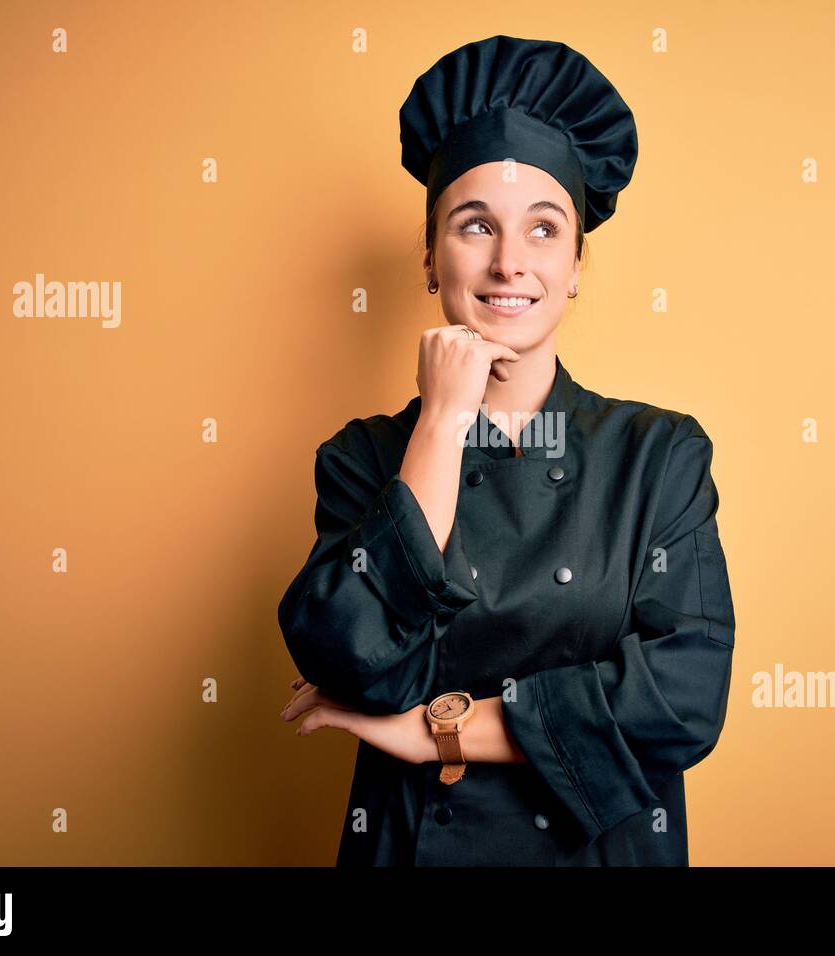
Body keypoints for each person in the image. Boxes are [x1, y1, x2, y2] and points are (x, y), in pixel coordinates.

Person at [277, 34, 736, 866]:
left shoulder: (658, 455)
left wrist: (434, 734)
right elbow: (351, 657)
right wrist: (445, 421)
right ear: (429, 258)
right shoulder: (364, 458)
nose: (508, 263)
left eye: (543, 230)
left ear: (575, 267)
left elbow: (682, 702)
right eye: (475, 225)